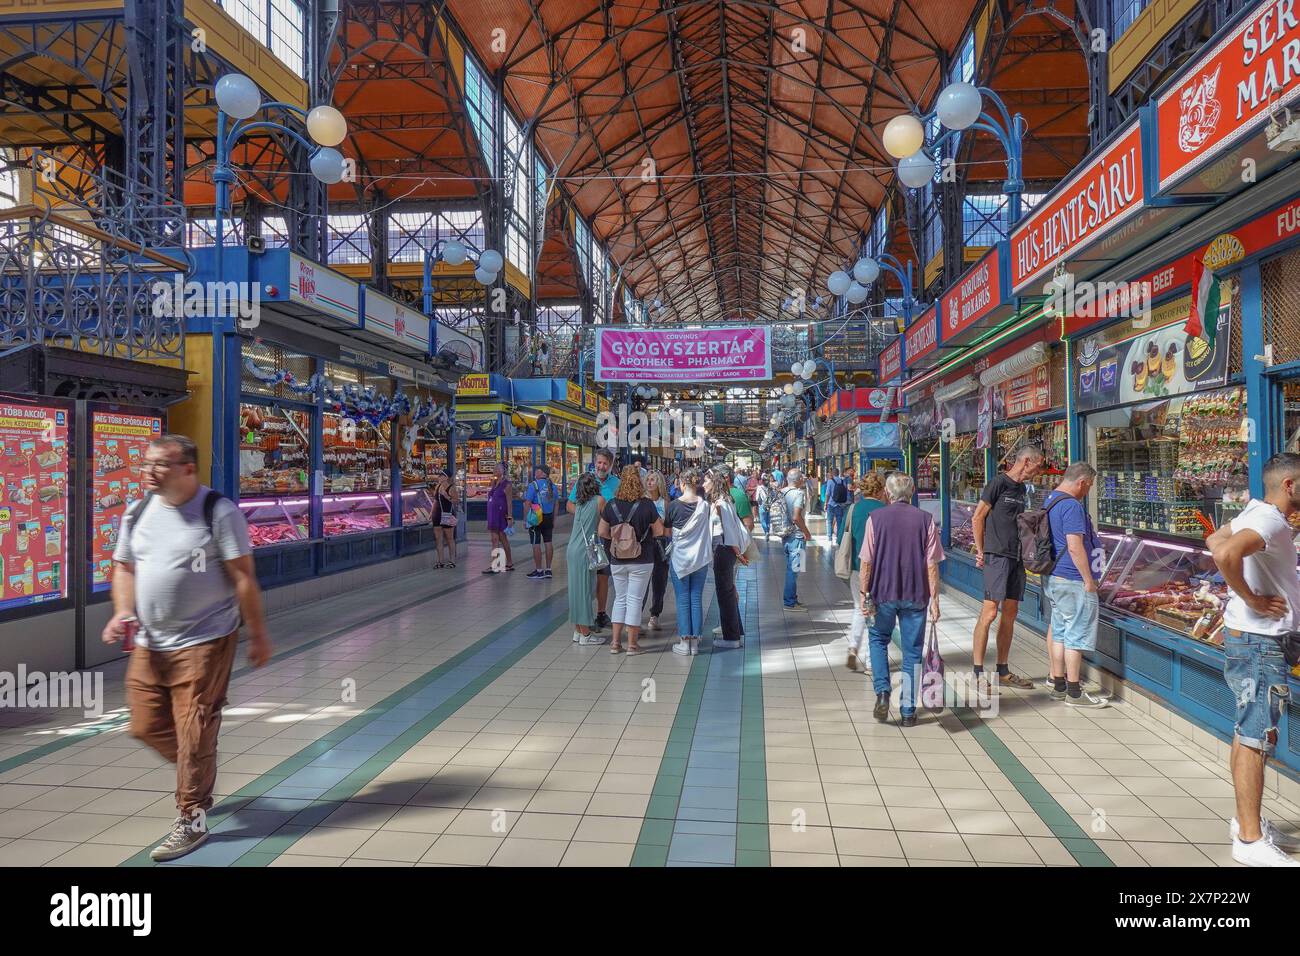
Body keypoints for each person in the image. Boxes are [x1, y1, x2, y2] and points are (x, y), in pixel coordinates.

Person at [102, 434, 271, 861]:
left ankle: (191, 815)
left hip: (208, 636)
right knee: (143, 724)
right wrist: (122, 610)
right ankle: (198, 768)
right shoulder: (137, 511)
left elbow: (244, 577)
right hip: (150, 641)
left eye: (160, 464)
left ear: (188, 469)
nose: (149, 472)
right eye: (146, 464)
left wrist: (258, 633)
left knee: (194, 722)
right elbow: (123, 567)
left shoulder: (218, 512)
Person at [1207, 452, 1300, 867]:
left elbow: (1214, 540)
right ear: (1290, 486)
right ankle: (1249, 842)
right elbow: (1224, 555)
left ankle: (1247, 822)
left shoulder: (1254, 511)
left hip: (1253, 641)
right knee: (1256, 737)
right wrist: (1253, 599)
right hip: (1262, 644)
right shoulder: (1270, 521)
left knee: (1248, 730)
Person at [858, 472, 943, 727]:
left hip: (882, 592)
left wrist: (864, 594)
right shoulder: (925, 519)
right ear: (914, 490)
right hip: (916, 594)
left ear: (888, 491)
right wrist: (935, 599)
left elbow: (867, 561)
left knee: (878, 639)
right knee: (912, 651)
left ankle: (883, 692)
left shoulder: (876, 518)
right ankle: (908, 710)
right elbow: (931, 564)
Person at [970, 445, 1044, 690]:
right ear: (1025, 461)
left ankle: (1002, 670)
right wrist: (981, 551)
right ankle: (978, 673)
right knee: (990, 612)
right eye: (1037, 465)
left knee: (1010, 613)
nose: (1038, 471)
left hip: (1017, 557)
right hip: (997, 556)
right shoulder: (997, 483)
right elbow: (978, 516)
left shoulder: (1022, 489)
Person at [1041, 462, 1109, 710]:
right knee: (1075, 635)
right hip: (1072, 579)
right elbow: (1074, 545)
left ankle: (1058, 685)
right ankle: (1074, 691)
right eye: (1088, 486)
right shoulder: (1071, 506)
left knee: (1059, 631)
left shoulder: (1051, 499)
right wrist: (1088, 580)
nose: (1087, 491)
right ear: (1082, 482)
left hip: (1054, 577)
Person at [597, 465, 663, 654]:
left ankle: (616, 643)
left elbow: (602, 531)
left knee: (620, 599)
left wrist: (619, 541)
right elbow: (658, 531)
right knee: (635, 599)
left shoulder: (611, 504)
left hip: (617, 559)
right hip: (642, 559)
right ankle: (632, 645)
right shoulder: (647, 504)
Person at [569, 448, 620, 628]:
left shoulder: (616, 483)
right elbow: (570, 504)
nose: (601, 466)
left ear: (611, 465)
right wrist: (586, 517)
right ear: (594, 462)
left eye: (605, 463)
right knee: (585, 580)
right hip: (586, 539)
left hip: (604, 539)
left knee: (602, 576)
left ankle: (601, 612)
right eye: (599, 462)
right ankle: (585, 617)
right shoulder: (586, 481)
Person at [842, 471, 887, 672]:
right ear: (880, 490)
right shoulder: (885, 510)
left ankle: (853, 646)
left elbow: (841, 538)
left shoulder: (853, 509)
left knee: (860, 607)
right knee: (875, 615)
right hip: (880, 569)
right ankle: (870, 662)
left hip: (855, 568)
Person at [665, 467, 711, 656]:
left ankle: (685, 642)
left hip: (679, 560)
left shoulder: (674, 506)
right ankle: (696, 643)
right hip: (700, 559)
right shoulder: (705, 506)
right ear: (697, 484)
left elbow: (667, 532)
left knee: (683, 599)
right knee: (696, 598)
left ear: (682, 484)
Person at [705, 466, 750, 647]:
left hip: (723, 550)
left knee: (725, 593)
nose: (703, 483)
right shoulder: (725, 500)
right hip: (727, 550)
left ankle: (731, 638)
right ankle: (736, 630)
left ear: (714, 482)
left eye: (706, 480)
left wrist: (738, 553)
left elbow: (729, 530)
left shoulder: (720, 504)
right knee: (728, 591)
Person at [567, 473, 608, 646]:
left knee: (575, 592)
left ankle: (577, 630)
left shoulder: (578, 504)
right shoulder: (599, 501)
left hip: (572, 549)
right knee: (585, 592)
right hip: (585, 551)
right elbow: (605, 525)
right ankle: (585, 634)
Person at [777, 469, 812, 610]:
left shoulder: (781, 491)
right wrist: (806, 532)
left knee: (792, 568)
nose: (803, 480)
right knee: (794, 569)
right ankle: (789, 602)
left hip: (785, 535)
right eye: (802, 478)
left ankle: (793, 598)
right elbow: (796, 517)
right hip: (797, 536)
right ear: (798, 480)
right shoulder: (799, 494)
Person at [642, 469, 670, 630]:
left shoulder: (664, 502)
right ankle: (636, 615)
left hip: (660, 545)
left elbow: (667, 526)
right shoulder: (641, 500)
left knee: (659, 582)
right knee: (641, 583)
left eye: (653, 479)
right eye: (648, 479)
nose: (650, 482)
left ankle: (655, 615)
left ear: (659, 483)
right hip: (644, 544)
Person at [524, 464, 559, 580]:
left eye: (537, 471)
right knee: (548, 542)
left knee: (536, 544)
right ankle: (548, 569)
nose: (535, 473)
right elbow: (556, 504)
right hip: (548, 517)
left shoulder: (533, 485)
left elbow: (527, 503)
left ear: (543, 473)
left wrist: (525, 520)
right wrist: (554, 519)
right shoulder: (552, 486)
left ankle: (539, 570)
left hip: (536, 517)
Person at [484, 461, 514, 573]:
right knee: (494, 539)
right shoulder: (494, 482)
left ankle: (509, 562)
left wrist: (510, 518)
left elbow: (509, 502)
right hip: (492, 514)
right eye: (495, 468)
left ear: (503, 470)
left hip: (501, 514)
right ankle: (495, 564)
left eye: (498, 468)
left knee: (503, 538)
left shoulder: (507, 484)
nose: (495, 469)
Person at [431, 473, 457, 569]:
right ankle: (440, 561)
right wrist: (431, 514)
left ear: (446, 477)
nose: (439, 477)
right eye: (439, 476)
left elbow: (456, 501)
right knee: (438, 539)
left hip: (447, 514)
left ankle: (452, 560)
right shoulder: (438, 486)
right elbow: (435, 501)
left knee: (449, 539)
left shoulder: (451, 488)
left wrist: (447, 496)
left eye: (442, 475)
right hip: (437, 514)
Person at [825, 467, 851, 544]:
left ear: (832, 473)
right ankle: (838, 538)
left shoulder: (830, 481)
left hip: (831, 504)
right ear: (838, 473)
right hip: (840, 504)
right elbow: (845, 491)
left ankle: (829, 538)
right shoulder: (842, 481)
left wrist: (825, 503)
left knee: (829, 521)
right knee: (839, 521)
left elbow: (827, 493)